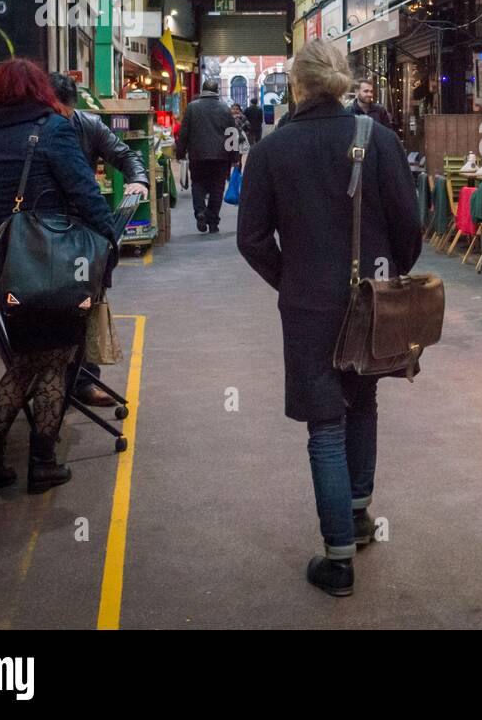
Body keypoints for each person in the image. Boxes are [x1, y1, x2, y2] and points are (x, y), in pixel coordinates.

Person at [237, 40, 421, 598]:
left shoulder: (271, 151)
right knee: (363, 400)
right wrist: (383, 282)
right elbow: (409, 230)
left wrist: (292, 279)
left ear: (297, 84)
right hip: (371, 301)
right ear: (342, 82)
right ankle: (359, 516)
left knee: (326, 422)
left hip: (308, 307)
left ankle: (338, 558)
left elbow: (251, 239)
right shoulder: (380, 141)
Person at [0, 58, 117, 496]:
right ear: (38, 90)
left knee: (27, 358)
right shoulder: (52, 129)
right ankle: (42, 462)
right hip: (55, 261)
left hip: (8, 263)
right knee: (57, 358)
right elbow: (85, 193)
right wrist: (108, 245)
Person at [49, 72, 146, 408]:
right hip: (43, 230)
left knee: (85, 303)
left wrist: (139, 180)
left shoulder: (87, 125)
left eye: (64, 111)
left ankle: (84, 380)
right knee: (48, 305)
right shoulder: (38, 128)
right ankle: (51, 383)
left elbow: (124, 154)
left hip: (81, 229)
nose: (58, 117)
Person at [175, 78, 236, 233]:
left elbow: (184, 133)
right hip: (221, 157)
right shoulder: (225, 109)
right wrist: (234, 157)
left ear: (202, 91)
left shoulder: (191, 108)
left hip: (198, 155)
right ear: (216, 91)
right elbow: (232, 135)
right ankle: (213, 221)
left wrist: (180, 153)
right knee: (217, 188)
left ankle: (200, 212)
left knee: (198, 184)